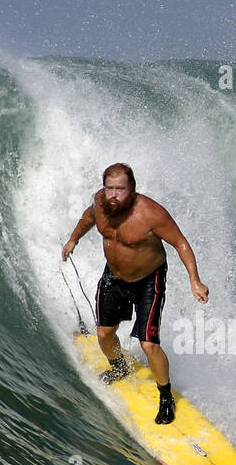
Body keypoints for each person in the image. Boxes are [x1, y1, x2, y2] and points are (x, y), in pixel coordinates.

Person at [61, 163, 209, 424]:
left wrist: (194, 280)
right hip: (114, 276)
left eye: (120, 189)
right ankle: (119, 366)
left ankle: (165, 396)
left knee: (148, 343)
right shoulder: (100, 203)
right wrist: (74, 239)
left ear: (132, 189)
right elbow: (88, 217)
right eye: (110, 188)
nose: (114, 195)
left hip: (148, 280)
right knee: (104, 334)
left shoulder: (150, 214)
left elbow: (180, 243)